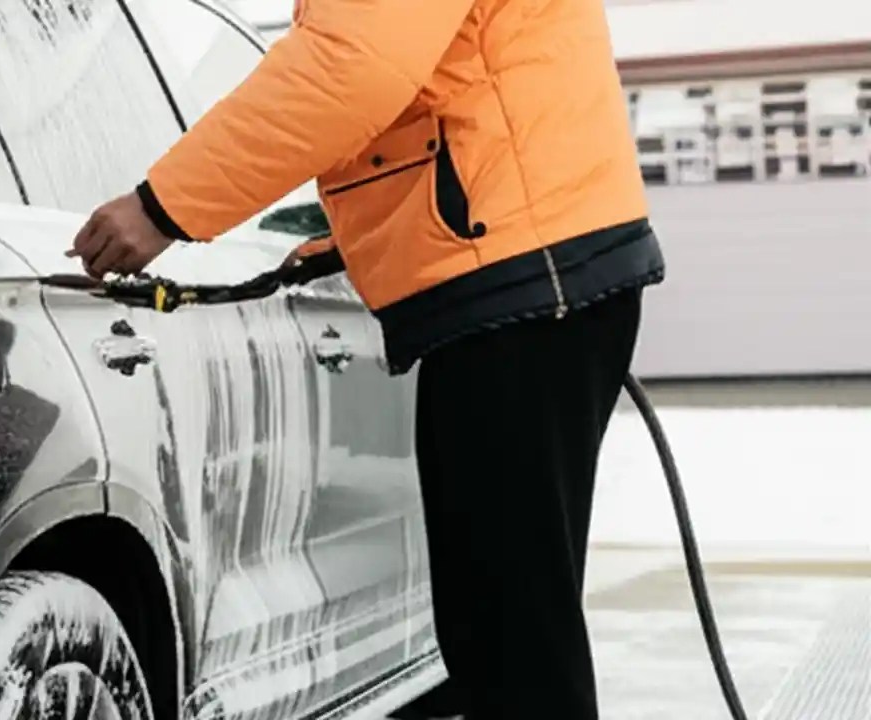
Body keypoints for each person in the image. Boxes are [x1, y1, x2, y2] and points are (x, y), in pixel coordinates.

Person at [67, 0, 665, 716]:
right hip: (527, 269)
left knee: (513, 641)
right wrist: (359, 237)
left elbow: (349, 67)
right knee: (506, 628)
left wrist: (161, 207)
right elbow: (429, 85)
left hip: (519, 282)